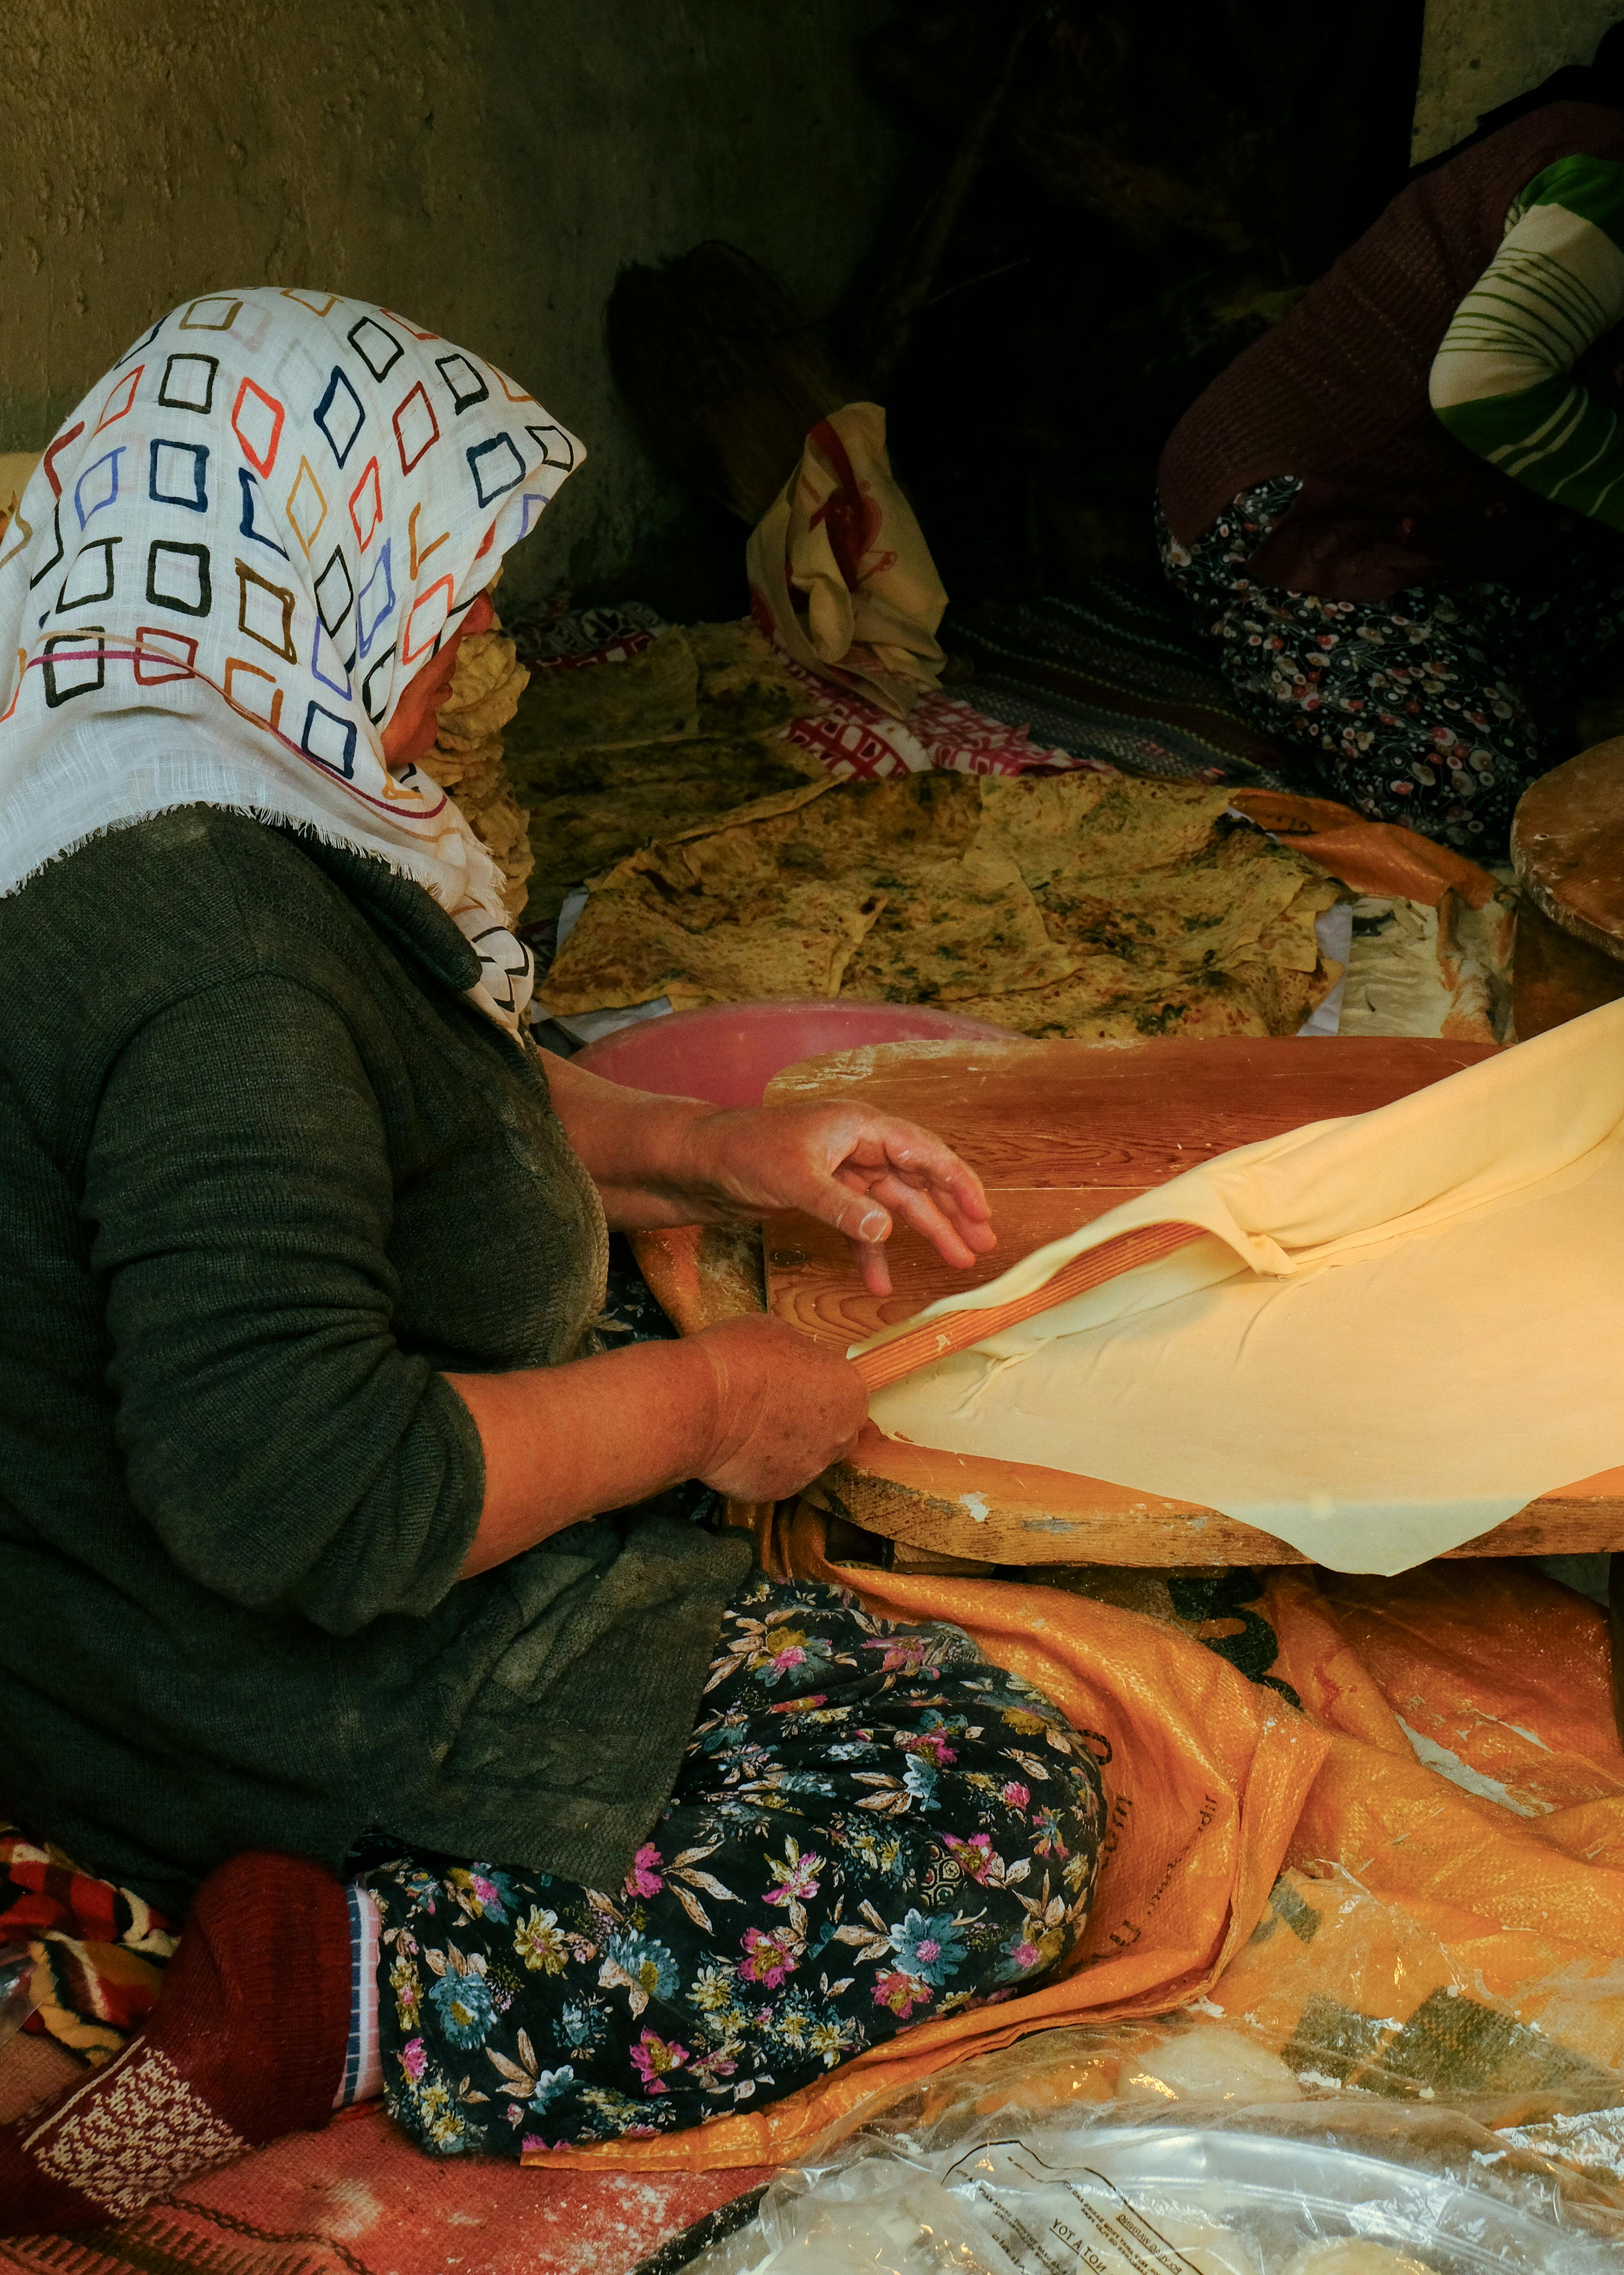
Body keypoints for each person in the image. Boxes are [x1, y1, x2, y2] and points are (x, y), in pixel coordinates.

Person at [0, 290, 1104, 2233]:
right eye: (442, 585)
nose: (479, 631)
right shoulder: (215, 960)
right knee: (981, 1810)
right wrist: (704, 1405)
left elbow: (410, 1094)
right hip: (219, 1667)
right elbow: (308, 1496)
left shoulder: (127, 768)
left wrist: (702, 1147)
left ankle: (346, 1934)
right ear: (298, 573)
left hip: (113, 1589)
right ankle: (337, 1996)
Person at [1157, 101, 1624, 856]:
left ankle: (1440, 670)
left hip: (1421, 515)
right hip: (1287, 520)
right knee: (1480, 797)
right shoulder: (1611, 185)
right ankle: (1309, 661)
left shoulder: (1623, 171)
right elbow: (1481, 384)